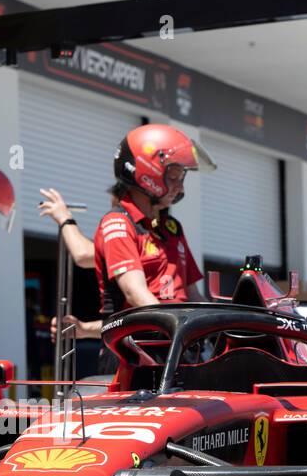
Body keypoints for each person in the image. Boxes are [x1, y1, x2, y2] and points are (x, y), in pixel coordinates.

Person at [48, 123, 213, 373]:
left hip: (176, 347)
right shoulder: (118, 223)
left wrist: (220, 327)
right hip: (136, 355)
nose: (181, 187)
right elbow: (137, 296)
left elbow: (192, 295)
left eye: (183, 177)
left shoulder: (171, 228)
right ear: (148, 174)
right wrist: (182, 332)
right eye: (174, 176)